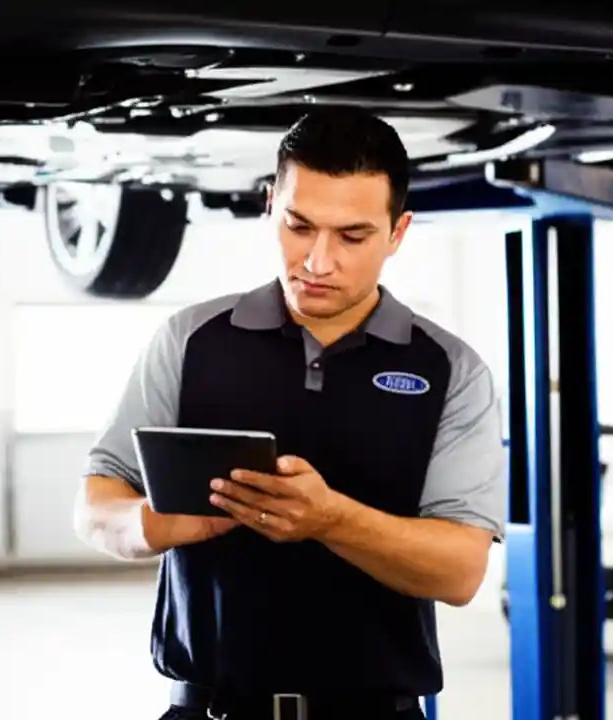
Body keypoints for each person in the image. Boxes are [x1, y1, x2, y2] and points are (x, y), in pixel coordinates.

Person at [73, 107, 507, 720]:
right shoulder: (191, 340)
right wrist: (153, 526)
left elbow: (461, 571)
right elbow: (94, 505)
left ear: (398, 232)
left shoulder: (451, 370)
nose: (318, 261)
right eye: (299, 225)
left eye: (352, 236)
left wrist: (330, 520)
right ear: (270, 203)